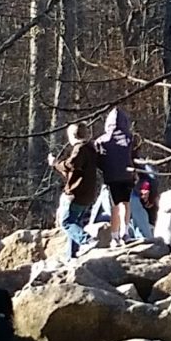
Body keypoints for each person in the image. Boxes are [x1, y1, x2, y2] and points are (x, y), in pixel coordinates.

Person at [52, 124, 105, 256]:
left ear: (73, 136)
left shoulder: (80, 148)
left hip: (76, 194)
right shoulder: (91, 149)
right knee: (76, 223)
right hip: (87, 194)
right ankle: (71, 255)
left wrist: (55, 163)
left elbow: (71, 165)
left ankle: (87, 240)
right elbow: (77, 172)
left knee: (66, 223)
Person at [97, 106, 148, 243]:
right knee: (126, 204)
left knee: (114, 206)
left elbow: (99, 159)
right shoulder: (131, 138)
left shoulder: (102, 140)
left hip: (111, 177)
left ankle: (114, 237)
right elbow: (135, 157)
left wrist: (105, 169)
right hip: (127, 175)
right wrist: (138, 172)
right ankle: (124, 233)